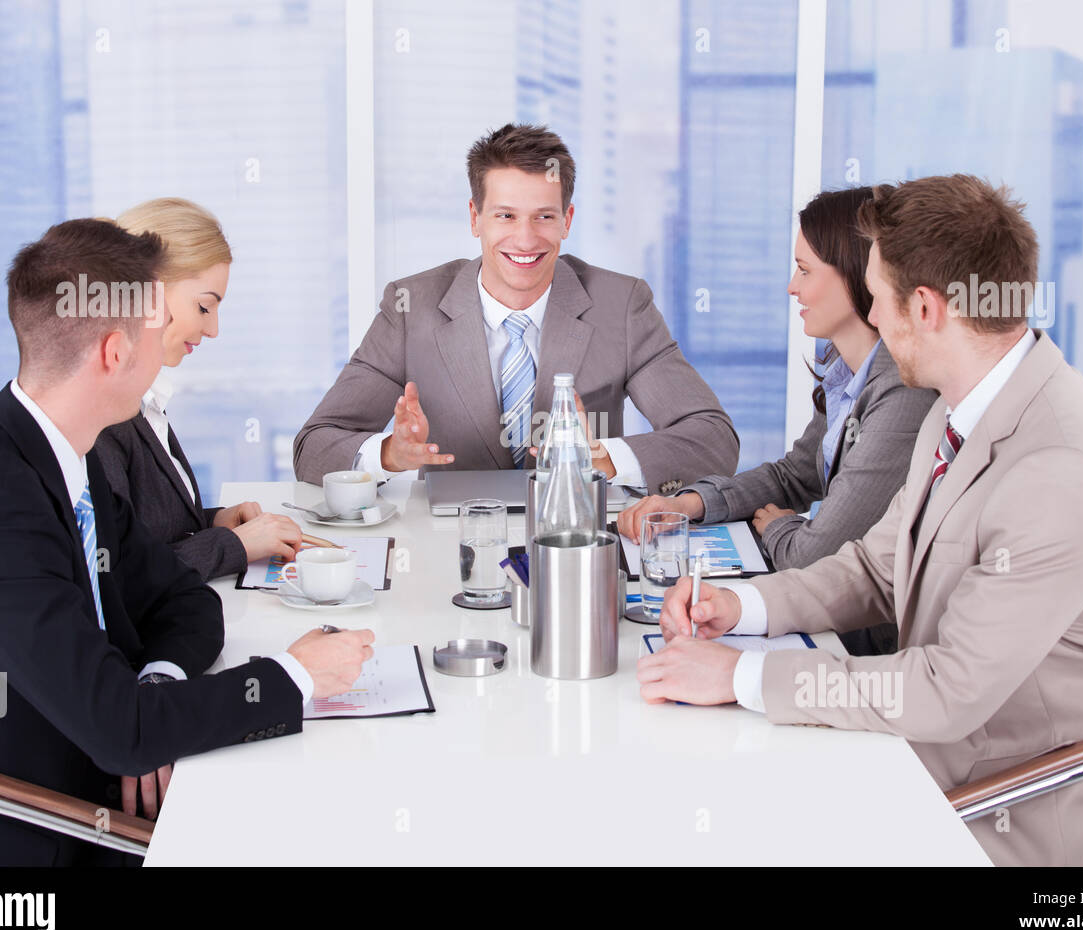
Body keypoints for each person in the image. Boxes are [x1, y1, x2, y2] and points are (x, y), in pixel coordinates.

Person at [637, 175, 1083, 867]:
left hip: (1006, 807)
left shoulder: (1062, 471)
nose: (875, 320)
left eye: (879, 298)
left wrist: (738, 677)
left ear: (923, 307)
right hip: (934, 752)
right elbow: (877, 565)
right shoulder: (961, 406)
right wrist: (739, 604)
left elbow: (948, 691)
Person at [0, 219, 373, 866]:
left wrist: (157, 679)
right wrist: (295, 676)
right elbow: (122, 735)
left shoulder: (67, 453)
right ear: (114, 352)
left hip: (101, 776)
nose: (176, 344)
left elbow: (183, 601)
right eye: (157, 328)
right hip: (32, 839)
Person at [293, 123, 739, 495]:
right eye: (505, 216)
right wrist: (390, 453)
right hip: (449, 548)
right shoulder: (411, 308)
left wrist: (601, 457)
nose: (525, 240)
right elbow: (313, 446)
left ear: (567, 220)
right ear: (475, 218)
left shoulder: (620, 305)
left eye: (544, 217)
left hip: (576, 547)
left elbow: (713, 440)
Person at [617, 188, 937, 653]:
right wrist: (693, 503)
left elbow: (815, 554)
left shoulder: (902, 391)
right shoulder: (846, 368)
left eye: (805, 271)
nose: (792, 287)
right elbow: (795, 474)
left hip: (875, 642)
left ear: (858, 276)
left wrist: (779, 529)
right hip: (831, 620)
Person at [93, 198, 303, 581]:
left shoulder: (145, 399)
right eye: (204, 307)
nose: (213, 330)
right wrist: (234, 545)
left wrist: (216, 524)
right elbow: (119, 576)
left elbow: (148, 528)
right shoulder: (102, 415)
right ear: (150, 292)